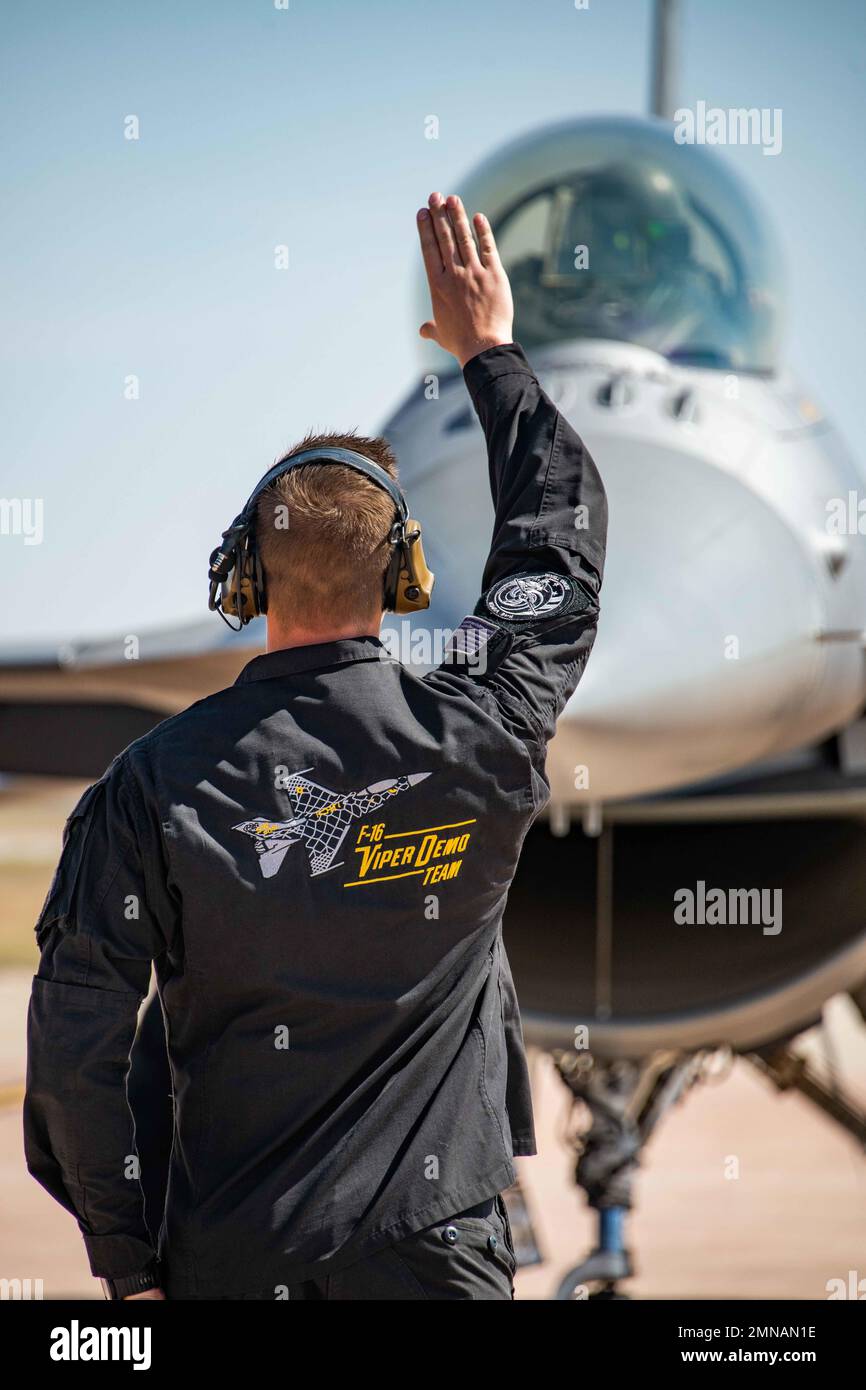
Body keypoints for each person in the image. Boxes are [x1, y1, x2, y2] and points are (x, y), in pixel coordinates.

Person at [24, 192, 607, 1301]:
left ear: (244, 580)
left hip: (238, 1267)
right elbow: (558, 549)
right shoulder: (481, 728)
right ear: (404, 582)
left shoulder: (148, 790)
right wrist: (489, 349)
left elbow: (76, 1039)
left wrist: (128, 1266)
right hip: (441, 1262)